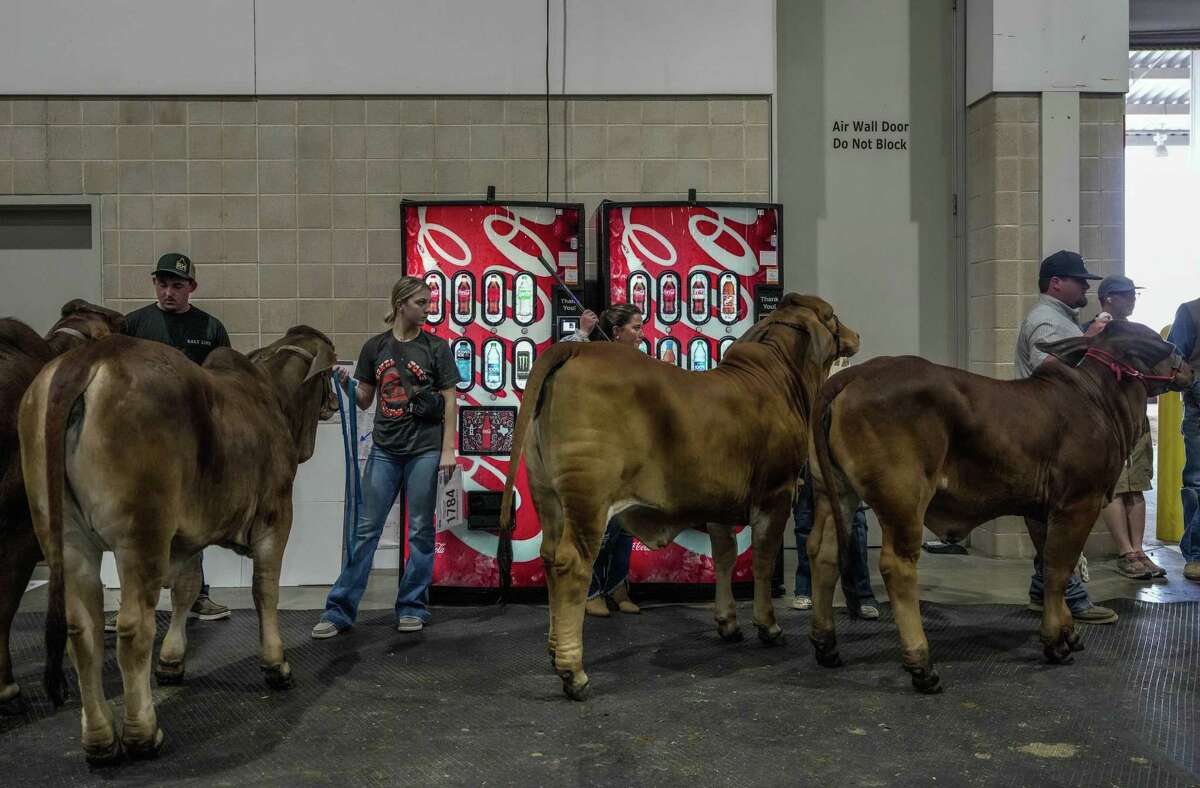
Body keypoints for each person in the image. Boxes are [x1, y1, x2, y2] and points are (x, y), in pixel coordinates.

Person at [313, 276, 460, 638]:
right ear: (401, 305)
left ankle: (412, 606)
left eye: (428, 302)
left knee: (421, 531)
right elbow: (365, 399)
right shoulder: (374, 347)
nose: (429, 309)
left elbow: (450, 399)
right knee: (365, 530)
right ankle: (339, 610)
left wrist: (447, 448)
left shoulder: (437, 348)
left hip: (424, 449)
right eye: (422, 303)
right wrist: (348, 386)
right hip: (385, 449)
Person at [109, 253, 232, 630]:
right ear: (154, 285)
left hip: (192, 441)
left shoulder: (210, 328)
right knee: (134, 520)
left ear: (191, 287)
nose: (168, 292)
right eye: (162, 284)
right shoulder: (134, 324)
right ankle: (130, 601)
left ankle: (196, 595)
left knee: (191, 519)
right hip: (140, 440)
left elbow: (226, 382)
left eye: (177, 285)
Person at [1014, 250, 1118, 623]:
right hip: (1050, 434)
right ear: (1056, 283)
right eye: (1079, 281)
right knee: (1063, 518)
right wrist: (1089, 338)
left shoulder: (1059, 318)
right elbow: (1047, 367)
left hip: (1053, 431)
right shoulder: (1046, 319)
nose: (1085, 287)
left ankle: (1041, 591)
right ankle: (1070, 596)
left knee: (1049, 515)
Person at [563, 304, 643, 616]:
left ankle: (617, 585)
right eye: (635, 328)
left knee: (626, 524)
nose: (640, 334)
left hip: (631, 451)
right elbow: (561, 357)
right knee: (603, 525)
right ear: (616, 333)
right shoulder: (595, 355)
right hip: (599, 452)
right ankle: (591, 589)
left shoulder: (637, 361)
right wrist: (582, 332)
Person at [1087, 275, 1163, 579]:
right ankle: (1125, 551)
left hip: (1136, 419)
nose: (1131, 299)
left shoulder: (1139, 334)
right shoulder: (1093, 332)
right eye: (1125, 295)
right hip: (1105, 420)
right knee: (1115, 487)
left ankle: (1139, 550)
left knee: (1138, 485)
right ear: (1107, 298)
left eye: (1134, 295)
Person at [791, 465, 880, 619]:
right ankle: (804, 589)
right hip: (806, 464)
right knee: (805, 524)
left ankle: (863, 595)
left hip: (841, 460)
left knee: (855, 527)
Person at [1167, 293, 1200, 582]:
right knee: (1197, 483)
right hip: (1199, 410)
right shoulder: (1191, 311)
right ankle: (1196, 554)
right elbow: (1175, 360)